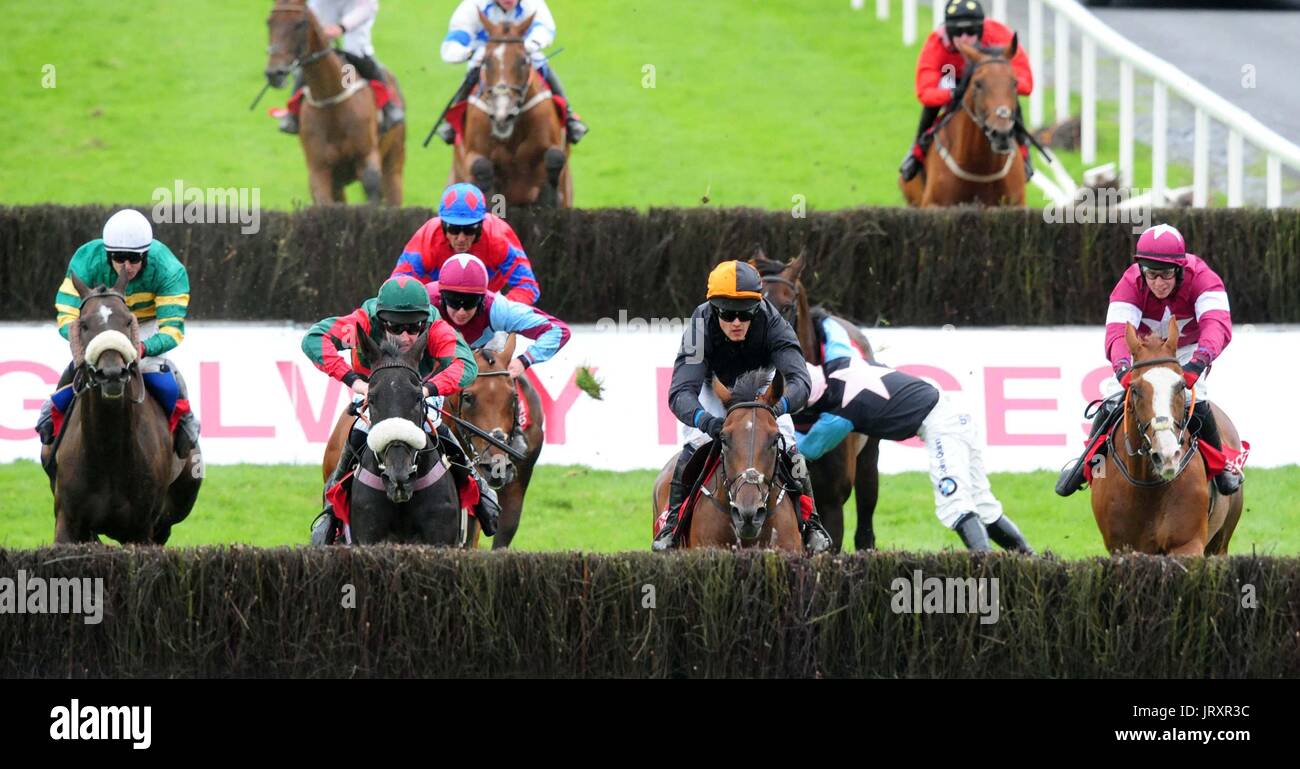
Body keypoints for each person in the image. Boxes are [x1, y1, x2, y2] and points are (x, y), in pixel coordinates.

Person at [301, 275, 499, 544]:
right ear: (381, 321)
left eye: (414, 328)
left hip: (421, 391)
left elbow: (466, 366)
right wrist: (354, 381)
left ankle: (481, 490)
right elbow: (314, 339)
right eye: (395, 327)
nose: (406, 336)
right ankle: (329, 514)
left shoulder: (436, 326)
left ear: (424, 321)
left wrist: (428, 390)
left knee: (437, 427)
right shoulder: (360, 322)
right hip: (377, 393)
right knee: (358, 430)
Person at [654, 260, 832, 554]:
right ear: (713, 308)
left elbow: (800, 380)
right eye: (727, 314)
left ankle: (811, 524)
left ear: (758, 307)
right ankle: (673, 523)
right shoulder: (700, 326)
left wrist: (778, 406)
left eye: (745, 314)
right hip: (714, 390)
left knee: (788, 447)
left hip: (763, 392)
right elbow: (681, 392)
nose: (736, 322)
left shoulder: (774, 323)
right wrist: (707, 422)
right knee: (695, 445)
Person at [1056, 223, 1241, 497]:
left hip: (1187, 349)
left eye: (1166, 275)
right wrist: (1122, 371)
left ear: (1180, 269)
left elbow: (1217, 326)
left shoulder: (1204, 278)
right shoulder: (1130, 282)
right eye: (1151, 275)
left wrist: (1197, 364)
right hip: (1145, 351)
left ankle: (1219, 465)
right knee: (1111, 397)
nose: (1158, 283)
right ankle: (1088, 461)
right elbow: (1117, 334)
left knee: (1195, 396)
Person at [798, 356, 1032, 553]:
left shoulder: (837, 419)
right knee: (984, 506)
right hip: (955, 414)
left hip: (941, 427)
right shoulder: (839, 361)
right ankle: (1031, 560)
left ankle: (988, 574)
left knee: (955, 506)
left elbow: (805, 449)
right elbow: (833, 330)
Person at [36, 209, 199, 458]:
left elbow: (172, 331)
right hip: (101, 323)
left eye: (135, 259)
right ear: (106, 253)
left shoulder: (168, 269)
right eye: (119, 257)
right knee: (79, 368)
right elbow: (67, 315)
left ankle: (184, 415)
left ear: (147, 253)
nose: (127, 266)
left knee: (156, 369)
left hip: (145, 323)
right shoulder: (86, 260)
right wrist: (83, 342)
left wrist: (141, 348)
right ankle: (54, 407)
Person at [899, 0, 1034, 182]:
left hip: (988, 81)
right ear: (947, 30)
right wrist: (952, 94)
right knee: (934, 106)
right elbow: (925, 92)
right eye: (957, 32)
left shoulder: (999, 34)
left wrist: (1004, 84)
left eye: (971, 32)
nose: (964, 38)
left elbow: (1026, 84)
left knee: (1008, 100)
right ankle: (917, 152)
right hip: (952, 76)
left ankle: (1024, 153)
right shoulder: (937, 44)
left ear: (981, 29)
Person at [433, 0, 588, 144]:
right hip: (487, 57)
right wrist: (468, 53)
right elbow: (453, 42)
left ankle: (569, 118)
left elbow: (545, 28)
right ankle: (452, 125)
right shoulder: (472, 6)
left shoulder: (532, 3)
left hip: (522, 53)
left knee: (543, 65)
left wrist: (529, 45)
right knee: (472, 74)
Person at [392, 183, 540, 305]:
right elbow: (398, 285)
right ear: (442, 225)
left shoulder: (498, 239)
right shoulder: (427, 238)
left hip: (483, 304)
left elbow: (528, 287)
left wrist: (496, 311)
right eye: (454, 229)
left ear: (481, 225)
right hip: (436, 305)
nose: (461, 238)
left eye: (469, 229)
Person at [279, 0, 405, 134]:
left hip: (357, 6)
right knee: (313, 53)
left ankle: (388, 107)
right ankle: (293, 113)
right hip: (326, 3)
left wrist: (342, 27)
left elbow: (367, 6)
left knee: (353, 49)